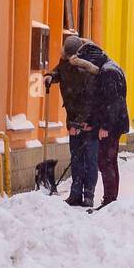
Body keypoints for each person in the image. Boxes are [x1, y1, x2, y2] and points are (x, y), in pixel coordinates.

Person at [44, 34, 100, 208]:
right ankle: (75, 194)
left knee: (89, 159)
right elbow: (60, 71)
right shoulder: (66, 62)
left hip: (89, 121)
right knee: (76, 158)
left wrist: (80, 123)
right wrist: (51, 76)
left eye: (70, 57)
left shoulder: (87, 70)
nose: (67, 60)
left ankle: (88, 195)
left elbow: (91, 100)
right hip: (73, 116)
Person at [73, 41, 129, 210]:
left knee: (106, 161)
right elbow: (101, 102)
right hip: (113, 124)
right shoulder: (108, 69)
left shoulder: (108, 72)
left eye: (85, 67)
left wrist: (105, 126)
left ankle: (109, 201)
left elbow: (113, 102)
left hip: (112, 126)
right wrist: (91, 122)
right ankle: (110, 200)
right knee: (108, 161)